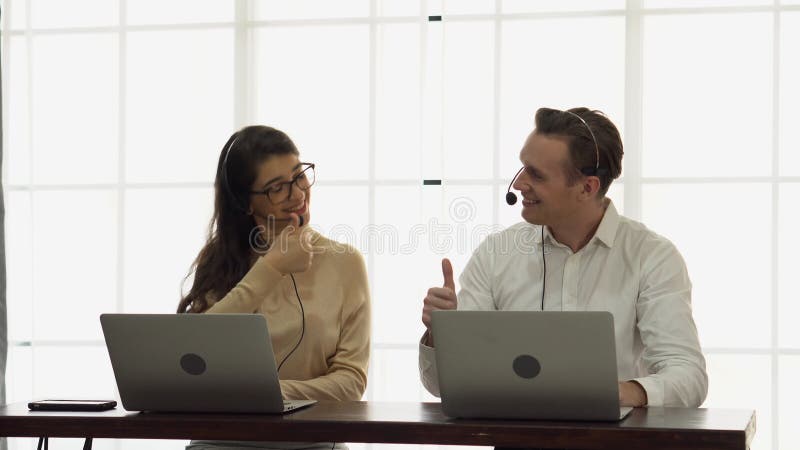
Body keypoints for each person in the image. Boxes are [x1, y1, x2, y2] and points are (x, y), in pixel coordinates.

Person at [419, 107, 707, 409]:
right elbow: (441, 386)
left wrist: (616, 392)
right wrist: (441, 332)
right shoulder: (495, 253)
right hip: (514, 434)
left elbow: (689, 377)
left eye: (536, 175)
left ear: (587, 187)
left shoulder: (652, 257)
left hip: (612, 434)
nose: (518, 184)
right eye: (522, 167)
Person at [178, 125, 370, 450]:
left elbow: (351, 383)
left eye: (299, 176)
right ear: (246, 203)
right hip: (221, 442)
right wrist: (271, 269)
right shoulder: (219, 262)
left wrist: (267, 395)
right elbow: (197, 351)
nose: (297, 194)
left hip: (313, 444)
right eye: (276, 188)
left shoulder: (345, 262)